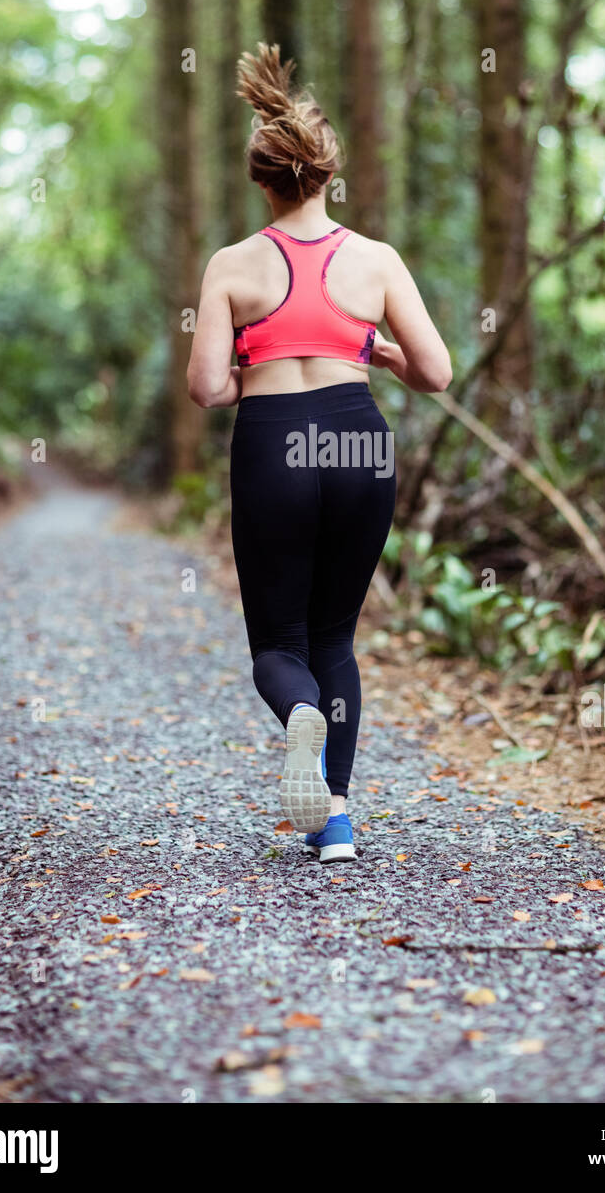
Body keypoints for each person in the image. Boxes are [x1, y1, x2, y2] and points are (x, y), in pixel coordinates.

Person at [187, 44, 451, 863]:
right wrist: (378, 355)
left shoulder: (232, 265)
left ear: (262, 179)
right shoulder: (376, 261)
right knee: (336, 636)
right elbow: (437, 374)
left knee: (280, 644)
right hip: (356, 438)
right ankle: (334, 819)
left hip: (274, 444)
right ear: (327, 175)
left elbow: (207, 391)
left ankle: (298, 711)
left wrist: (247, 368)